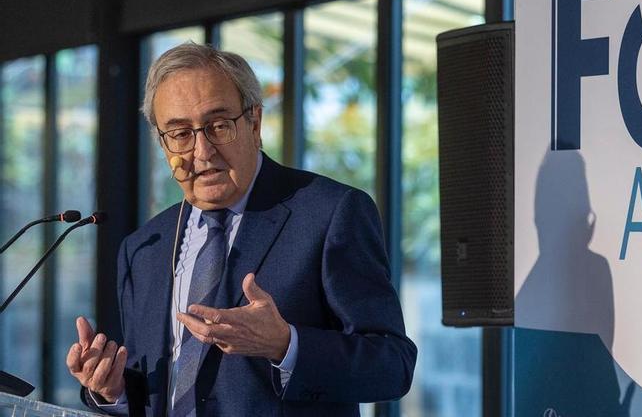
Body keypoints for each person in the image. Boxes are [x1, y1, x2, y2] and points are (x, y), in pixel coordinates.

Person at [65, 43, 416, 416]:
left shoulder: (330, 213)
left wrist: (286, 345)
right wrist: (112, 391)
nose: (202, 151)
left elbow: (393, 366)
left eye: (218, 126)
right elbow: (150, 390)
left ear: (254, 123)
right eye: (180, 133)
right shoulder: (143, 247)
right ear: (163, 144)